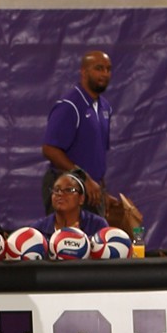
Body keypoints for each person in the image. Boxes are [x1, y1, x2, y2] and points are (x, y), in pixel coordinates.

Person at [40, 50, 111, 213]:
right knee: (68, 238)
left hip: (92, 189)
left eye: (108, 69)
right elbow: (49, 149)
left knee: (95, 237)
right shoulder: (69, 106)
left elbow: (97, 156)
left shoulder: (105, 107)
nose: (105, 74)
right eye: (99, 68)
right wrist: (83, 177)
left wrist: (102, 190)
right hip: (67, 188)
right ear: (84, 72)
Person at [32, 170, 109, 237]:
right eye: (56, 189)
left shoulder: (97, 225)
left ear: (81, 199)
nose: (60, 193)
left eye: (69, 190)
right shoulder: (39, 229)